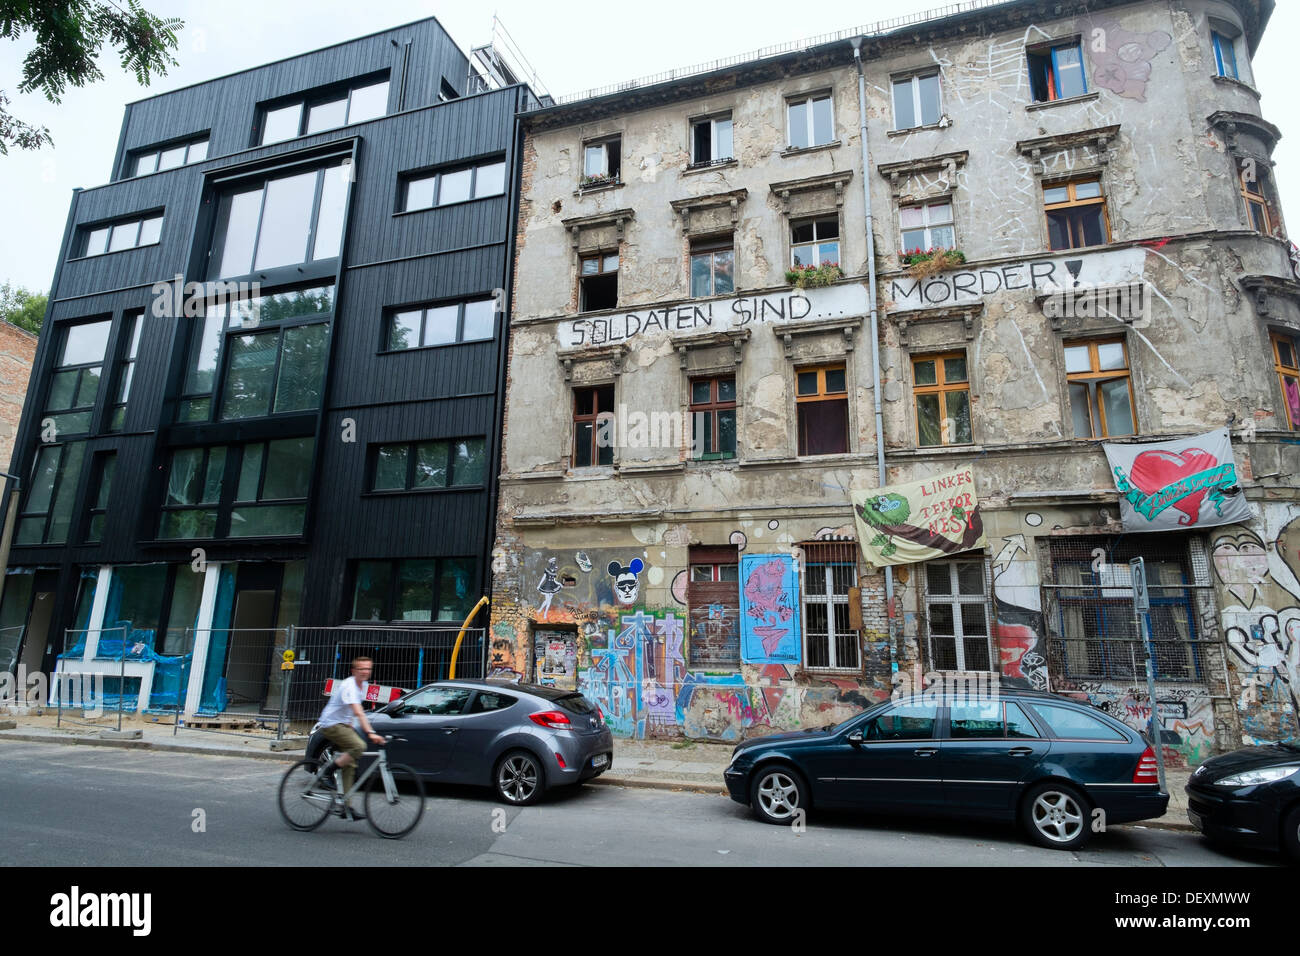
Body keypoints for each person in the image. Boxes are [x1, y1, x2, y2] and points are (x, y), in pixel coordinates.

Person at [317, 656, 385, 820]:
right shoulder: (350, 686)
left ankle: (345, 807)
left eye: (368, 669)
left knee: (350, 764)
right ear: (354, 671)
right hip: (331, 724)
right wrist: (370, 733)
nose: (365, 672)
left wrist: (355, 728)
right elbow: (358, 711)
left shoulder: (364, 685)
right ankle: (327, 772)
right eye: (361, 669)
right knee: (359, 746)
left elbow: (352, 713)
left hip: (343, 725)